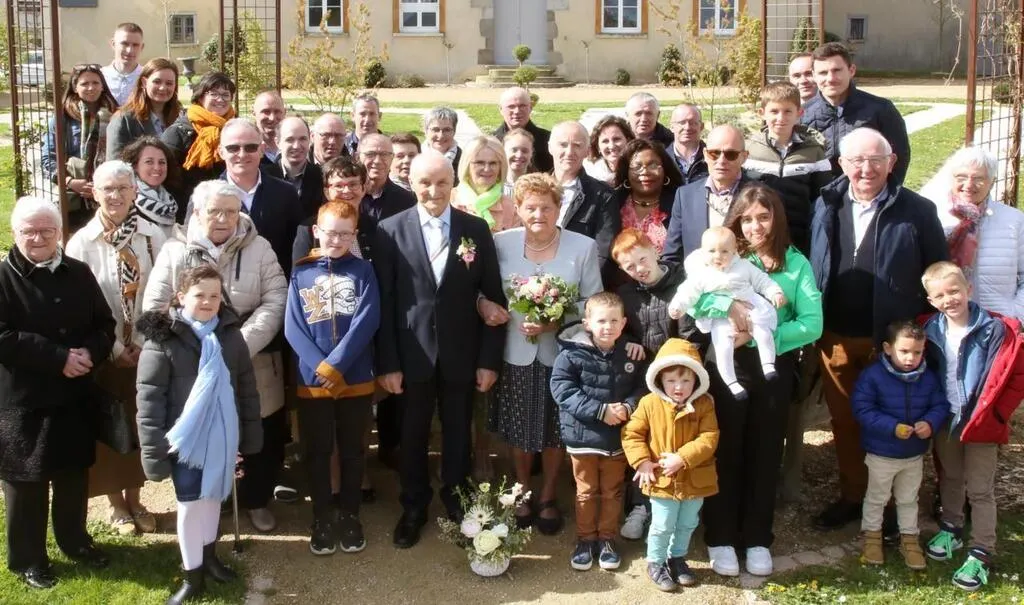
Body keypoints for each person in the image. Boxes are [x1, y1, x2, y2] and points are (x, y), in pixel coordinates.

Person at [809, 127, 948, 532]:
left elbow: (935, 272)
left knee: (895, 422)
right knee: (846, 422)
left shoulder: (918, 211)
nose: (865, 169)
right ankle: (855, 496)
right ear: (842, 165)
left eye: (875, 160)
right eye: (856, 161)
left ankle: (891, 507)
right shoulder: (826, 203)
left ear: (892, 163)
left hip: (890, 343)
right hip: (835, 336)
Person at [374, 152, 505, 548]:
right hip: (411, 355)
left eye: (442, 183)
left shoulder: (474, 229)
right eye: (425, 183)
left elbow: (492, 296)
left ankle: (457, 499)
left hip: (460, 353)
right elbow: (386, 300)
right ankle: (414, 504)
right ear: (412, 184)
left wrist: (488, 359)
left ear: (453, 183)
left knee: (457, 432)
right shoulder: (389, 230)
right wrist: (389, 362)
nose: (434, 191)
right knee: (411, 435)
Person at [142, 180, 288, 533]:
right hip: (193, 370)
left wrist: (237, 344)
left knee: (259, 431)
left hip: (251, 361)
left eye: (231, 211)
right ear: (197, 212)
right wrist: (197, 348)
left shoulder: (261, 248)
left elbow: (276, 299)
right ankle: (211, 507)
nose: (223, 219)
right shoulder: (175, 251)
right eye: (214, 211)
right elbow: (154, 307)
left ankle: (255, 500)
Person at [693, 184, 822, 577]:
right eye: (747, 219)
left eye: (763, 217)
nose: (755, 227)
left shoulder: (795, 264)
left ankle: (757, 537)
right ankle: (720, 536)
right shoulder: (724, 256)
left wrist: (767, 334)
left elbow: (812, 323)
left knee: (765, 453)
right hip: (726, 364)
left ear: (777, 218)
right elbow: (696, 299)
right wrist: (727, 305)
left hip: (771, 366)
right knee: (725, 450)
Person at [0, 197, 115, 590]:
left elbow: (105, 323)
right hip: (25, 400)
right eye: (28, 231)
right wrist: (57, 358)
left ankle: (76, 542)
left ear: (59, 233)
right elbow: (3, 337)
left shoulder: (78, 272)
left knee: (72, 476)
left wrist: (90, 352)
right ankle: (28, 559)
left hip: (73, 395)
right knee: (26, 483)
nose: (38, 238)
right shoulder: (2, 277)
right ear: (15, 234)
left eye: (46, 230)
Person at [135, 264, 262, 605]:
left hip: (222, 435)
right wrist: (154, 453)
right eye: (199, 295)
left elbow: (246, 388)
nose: (207, 302)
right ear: (180, 297)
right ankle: (192, 576)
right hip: (185, 444)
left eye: (214, 296)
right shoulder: (162, 340)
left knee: (212, 500)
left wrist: (249, 434)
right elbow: (149, 400)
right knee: (191, 505)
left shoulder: (230, 336)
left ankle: (209, 559)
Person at [491, 173, 603, 535]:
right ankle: (522, 489)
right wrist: (485, 306)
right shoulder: (501, 244)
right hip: (514, 350)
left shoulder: (582, 247)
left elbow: (592, 302)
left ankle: (549, 494)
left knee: (556, 429)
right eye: (530, 207)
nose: (538, 213)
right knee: (520, 425)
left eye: (546, 207)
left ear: (559, 208)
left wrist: (558, 321)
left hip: (563, 353)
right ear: (519, 209)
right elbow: (483, 290)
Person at [66, 159, 167, 535]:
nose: (115, 195)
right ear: (94, 192)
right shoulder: (80, 243)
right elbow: (80, 303)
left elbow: (163, 293)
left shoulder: (154, 236)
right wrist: (112, 348)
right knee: (110, 426)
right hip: (105, 351)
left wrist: (142, 341)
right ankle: (116, 506)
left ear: (134, 192)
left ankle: (137, 500)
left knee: (140, 423)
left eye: (123, 188)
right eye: (107, 188)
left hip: (145, 347)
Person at [286, 201, 380, 556]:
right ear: (317, 232)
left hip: (355, 378)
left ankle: (350, 515)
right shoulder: (299, 273)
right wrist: (321, 368)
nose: (336, 239)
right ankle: (322, 517)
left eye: (345, 233)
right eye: (331, 232)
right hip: (313, 383)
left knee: (355, 452)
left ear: (353, 235)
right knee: (318, 451)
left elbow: (367, 321)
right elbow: (293, 327)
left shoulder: (364, 271)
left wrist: (337, 365)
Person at [922, 261, 1023, 592]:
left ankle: (982, 549)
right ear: (931, 301)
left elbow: (1016, 377)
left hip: (981, 423)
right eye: (940, 295)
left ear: (969, 289)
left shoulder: (998, 330)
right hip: (946, 419)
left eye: (954, 291)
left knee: (980, 489)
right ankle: (951, 526)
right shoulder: (929, 330)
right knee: (950, 476)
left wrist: (997, 415)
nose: (949, 299)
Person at [550, 292, 646, 572]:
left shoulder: (630, 352)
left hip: (616, 439)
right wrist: (600, 410)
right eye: (601, 320)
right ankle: (585, 540)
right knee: (586, 491)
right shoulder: (571, 353)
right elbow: (562, 390)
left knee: (613, 491)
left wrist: (629, 408)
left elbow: (642, 387)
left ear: (623, 322)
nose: (608, 326)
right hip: (582, 438)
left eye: (614, 320)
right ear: (587, 323)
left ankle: (607, 539)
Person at [621, 338, 719, 592]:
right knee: (662, 523)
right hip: (662, 479)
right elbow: (631, 434)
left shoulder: (704, 404)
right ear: (660, 379)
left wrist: (683, 457)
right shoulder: (649, 404)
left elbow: (709, 437)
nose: (679, 387)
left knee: (688, 522)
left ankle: (677, 558)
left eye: (685, 380)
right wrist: (642, 462)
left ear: (696, 380)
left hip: (695, 478)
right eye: (672, 380)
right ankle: (655, 561)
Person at [611, 228, 690, 539]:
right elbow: (623, 330)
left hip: (680, 379)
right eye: (630, 267)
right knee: (644, 441)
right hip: (644, 383)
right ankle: (640, 508)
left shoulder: (683, 283)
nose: (639, 269)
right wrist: (630, 341)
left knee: (677, 443)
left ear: (655, 249)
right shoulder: (628, 295)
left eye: (642, 260)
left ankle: (675, 511)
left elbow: (691, 335)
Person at [851, 320, 947, 570]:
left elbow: (940, 405)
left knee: (908, 498)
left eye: (917, 352)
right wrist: (892, 427)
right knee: (877, 497)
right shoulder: (873, 375)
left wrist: (929, 422)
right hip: (881, 453)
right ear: (888, 348)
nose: (910, 358)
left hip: (913, 454)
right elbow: (862, 409)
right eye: (904, 351)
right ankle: (871, 537)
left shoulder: (928, 377)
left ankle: (909, 538)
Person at [669, 226, 787, 399]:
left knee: (762, 330)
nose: (718, 256)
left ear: (734, 251)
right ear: (702, 252)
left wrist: (774, 292)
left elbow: (762, 280)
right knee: (723, 346)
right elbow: (687, 292)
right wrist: (678, 306)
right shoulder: (701, 274)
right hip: (721, 317)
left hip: (750, 304)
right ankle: (731, 382)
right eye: (711, 251)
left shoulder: (744, 266)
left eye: (725, 251)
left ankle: (768, 364)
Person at [929, 146, 1024, 320]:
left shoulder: (1015, 221)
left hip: (1001, 326)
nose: (969, 185)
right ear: (950, 179)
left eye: (979, 178)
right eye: (961, 177)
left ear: (992, 181)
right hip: (944, 326)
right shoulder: (933, 216)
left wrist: (1016, 314)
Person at [742, 82, 832, 256]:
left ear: (799, 113)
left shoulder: (814, 151)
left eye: (788, 111)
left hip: (800, 234)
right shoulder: (750, 150)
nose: (781, 118)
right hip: (760, 236)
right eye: (774, 111)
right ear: (762, 113)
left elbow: (821, 196)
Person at [802, 42, 911, 184]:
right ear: (814, 76)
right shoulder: (803, 114)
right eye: (823, 73)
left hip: (868, 198)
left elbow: (899, 158)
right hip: (818, 202)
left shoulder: (881, 110)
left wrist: (885, 198)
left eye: (837, 70)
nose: (830, 78)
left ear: (851, 71)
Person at [210, 118, 304, 277]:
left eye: (250, 147)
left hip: (275, 288)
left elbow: (296, 249)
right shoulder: (206, 196)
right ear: (221, 151)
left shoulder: (285, 193)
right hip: (221, 293)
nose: (242, 154)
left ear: (262, 149)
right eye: (233, 148)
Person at [662, 124, 757, 265]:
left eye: (731, 154)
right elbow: (672, 256)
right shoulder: (685, 196)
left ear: (744, 157)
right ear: (705, 155)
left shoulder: (759, 195)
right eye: (715, 153)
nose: (721, 160)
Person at [42, 63, 119, 232]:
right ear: (75, 88)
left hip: (111, 196)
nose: (91, 88)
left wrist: (103, 184)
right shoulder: (62, 119)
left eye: (95, 83)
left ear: (103, 86)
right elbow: (48, 158)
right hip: (74, 200)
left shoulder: (117, 115)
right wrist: (70, 182)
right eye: (84, 84)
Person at [161, 71, 236, 220]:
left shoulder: (234, 129)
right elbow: (166, 179)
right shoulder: (178, 132)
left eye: (225, 95)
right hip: (188, 212)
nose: (220, 99)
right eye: (213, 94)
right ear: (200, 97)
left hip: (226, 213)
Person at [550, 121, 619, 276]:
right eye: (563, 144)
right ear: (550, 147)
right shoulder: (533, 188)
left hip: (581, 282)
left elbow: (604, 251)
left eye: (577, 145)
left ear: (587, 151)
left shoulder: (603, 195)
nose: (569, 152)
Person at [612, 139, 684, 256]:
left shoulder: (680, 203)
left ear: (665, 169)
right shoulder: (613, 202)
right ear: (627, 172)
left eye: (653, 165)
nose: (645, 172)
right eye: (637, 166)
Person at [106, 57, 181, 160]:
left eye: (169, 83)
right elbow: (114, 166)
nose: (163, 88)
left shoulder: (180, 118)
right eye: (157, 81)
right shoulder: (123, 120)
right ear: (144, 82)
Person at [263, 115, 325, 220]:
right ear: (277, 142)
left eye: (302, 139)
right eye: (290, 140)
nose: (296, 146)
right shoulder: (264, 177)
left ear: (310, 140)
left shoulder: (322, 176)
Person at [453, 135, 517, 232]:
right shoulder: (450, 200)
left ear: (501, 167)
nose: (487, 169)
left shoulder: (509, 206)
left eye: (493, 163)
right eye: (479, 163)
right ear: (466, 165)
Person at [122, 136, 180, 237]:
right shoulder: (126, 201)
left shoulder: (175, 200)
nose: (157, 168)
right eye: (149, 162)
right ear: (135, 166)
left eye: (162, 162)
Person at [358, 133, 417, 225]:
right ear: (357, 157)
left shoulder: (407, 200)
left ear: (392, 158)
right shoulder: (347, 194)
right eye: (370, 154)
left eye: (384, 154)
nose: (377, 161)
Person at [493, 86, 553, 172]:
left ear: (530, 108)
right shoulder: (492, 142)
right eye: (511, 106)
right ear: (501, 110)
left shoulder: (548, 140)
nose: (517, 111)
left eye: (522, 106)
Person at [583, 115, 635, 186]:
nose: (612, 146)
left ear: (628, 141)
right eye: (605, 141)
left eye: (616, 139)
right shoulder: (591, 176)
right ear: (598, 147)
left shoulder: (638, 171)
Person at [100, 22, 144, 105]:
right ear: (113, 44)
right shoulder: (100, 76)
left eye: (135, 45)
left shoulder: (148, 78)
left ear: (142, 47)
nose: (129, 50)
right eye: (124, 44)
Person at [665, 104, 709, 185]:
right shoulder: (662, 159)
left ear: (702, 126)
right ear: (671, 127)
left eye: (693, 122)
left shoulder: (712, 158)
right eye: (681, 123)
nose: (687, 127)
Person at [253, 90, 286, 167]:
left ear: (285, 113)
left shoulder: (296, 147)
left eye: (277, 111)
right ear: (254, 113)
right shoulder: (246, 149)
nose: (272, 118)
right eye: (266, 111)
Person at [424, 106, 461, 173]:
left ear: (454, 131)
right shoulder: (414, 156)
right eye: (435, 129)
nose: (441, 136)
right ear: (426, 131)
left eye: (447, 130)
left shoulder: (464, 160)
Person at [503, 127, 535, 197]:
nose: (519, 155)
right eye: (514, 150)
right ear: (503, 151)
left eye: (524, 151)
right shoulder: (493, 185)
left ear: (531, 153)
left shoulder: (538, 186)